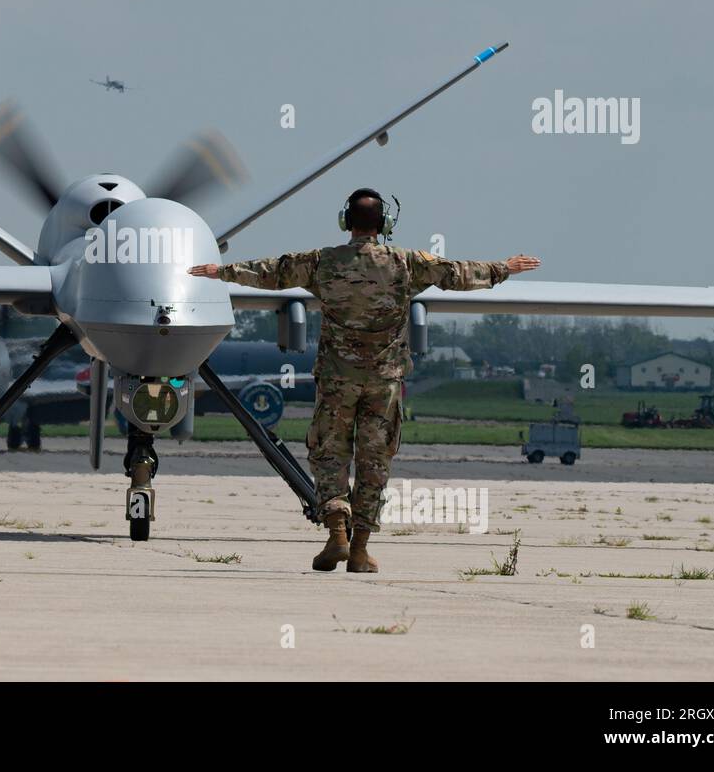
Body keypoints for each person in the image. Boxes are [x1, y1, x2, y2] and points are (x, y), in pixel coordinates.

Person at [188, 188, 540, 572]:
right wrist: (504, 268)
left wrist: (220, 272)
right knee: (374, 461)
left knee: (329, 453)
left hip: (337, 380)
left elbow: (273, 270)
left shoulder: (324, 262)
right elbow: (456, 274)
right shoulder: (406, 263)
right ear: (384, 224)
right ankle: (359, 550)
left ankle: (337, 532)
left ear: (346, 222)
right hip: (384, 383)